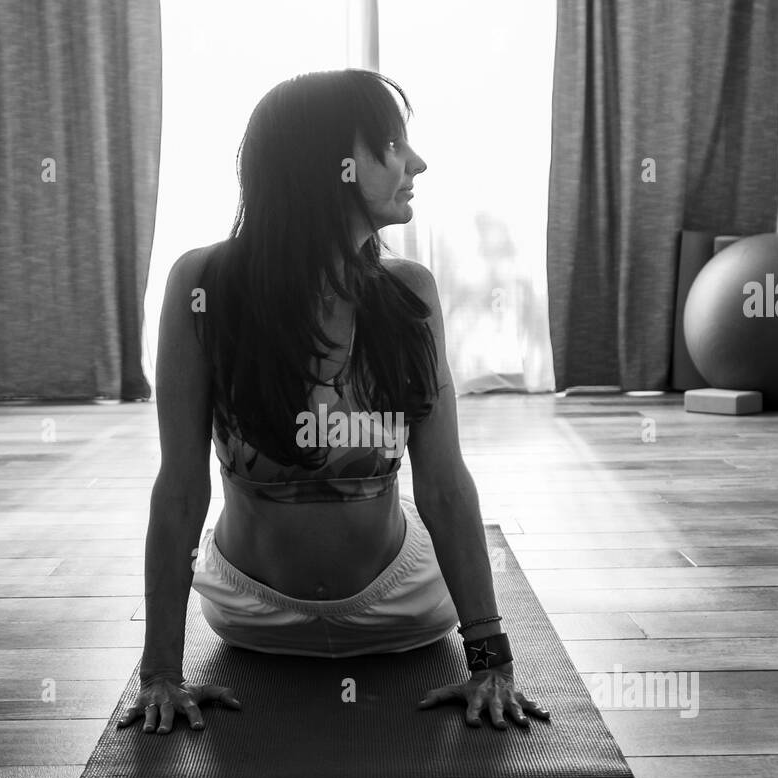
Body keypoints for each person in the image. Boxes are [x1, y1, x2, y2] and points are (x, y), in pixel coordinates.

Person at [120, 69, 550, 735]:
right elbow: (179, 488)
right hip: (252, 612)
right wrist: (160, 675)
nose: (417, 163)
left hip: (403, 608)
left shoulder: (409, 292)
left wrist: (491, 660)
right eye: (392, 144)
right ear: (334, 166)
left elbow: (442, 485)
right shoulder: (203, 285)